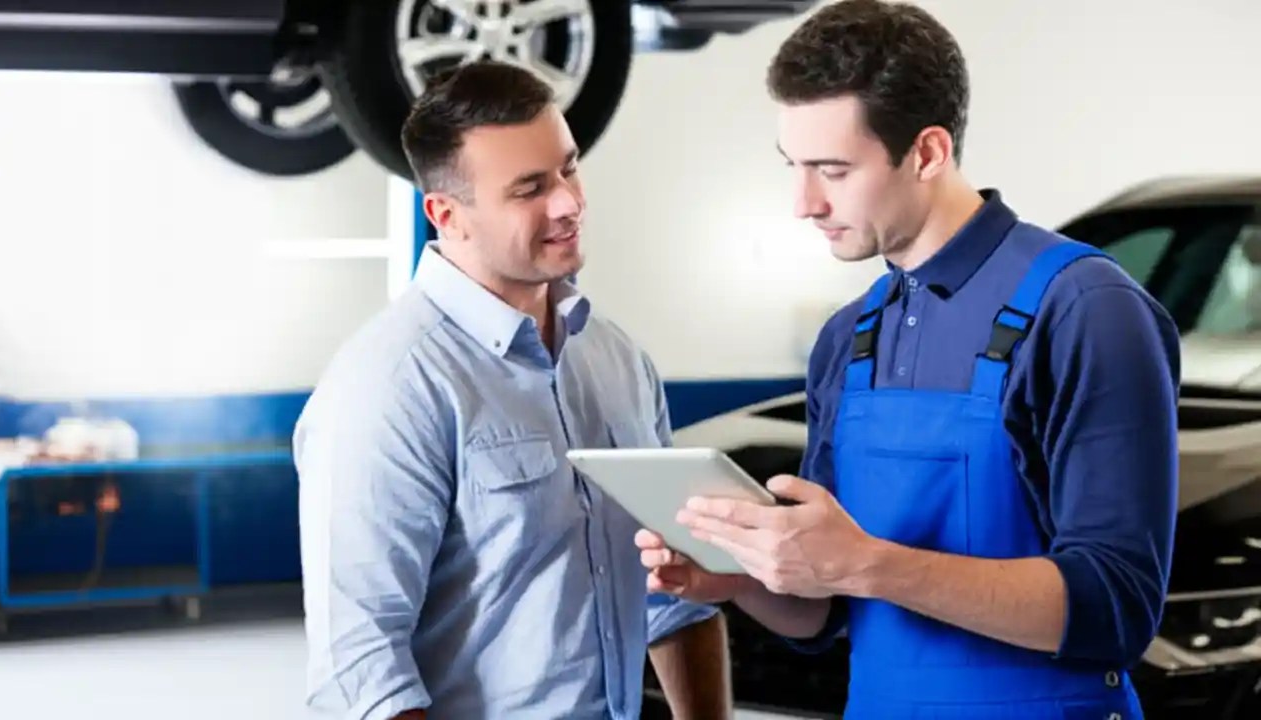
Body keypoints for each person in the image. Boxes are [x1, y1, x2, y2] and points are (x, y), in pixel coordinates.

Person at [637, 1, 1180, 718]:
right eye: (793, 166)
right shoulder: (851, 334)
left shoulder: (1085, 309)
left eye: (832, 169)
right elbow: (826, 609)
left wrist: (867, 563)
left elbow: (1116, 606)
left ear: (927, 153)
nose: (803, 203)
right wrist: (739, 577)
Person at [295, 61, 731, 720]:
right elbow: (361, 667)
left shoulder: (616, 359)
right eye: (529, 188)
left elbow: (674, 592)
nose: (568, 202)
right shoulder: (386, 388)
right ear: (446, 214)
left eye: (569, 168)